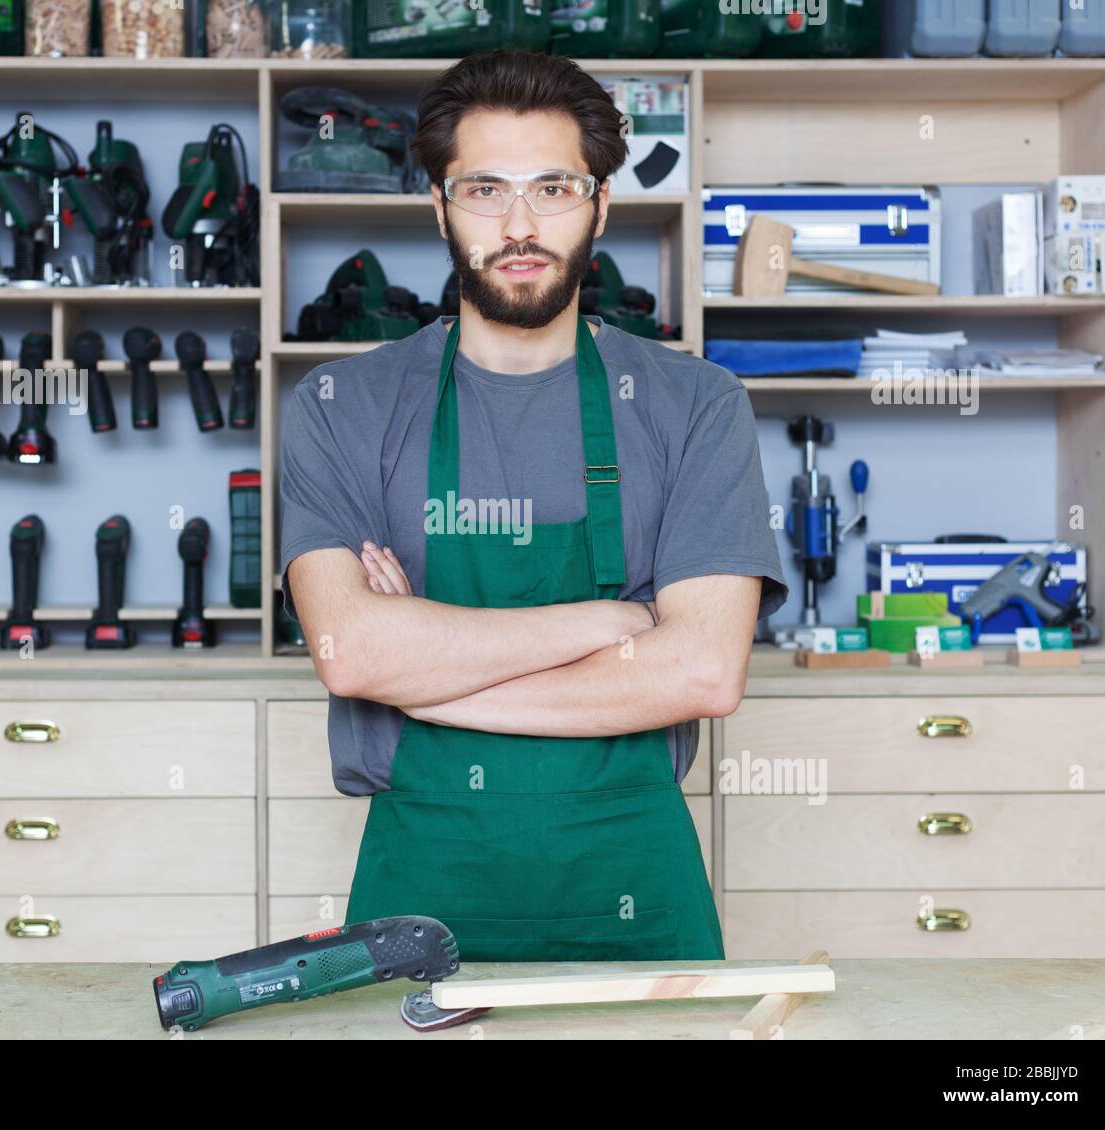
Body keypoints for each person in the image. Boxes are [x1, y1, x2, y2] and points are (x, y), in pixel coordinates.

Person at [281, 48, 787, 961]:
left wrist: (428, 680)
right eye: (484, 189)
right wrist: (615, 621)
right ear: (439, 205)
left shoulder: (696, 405)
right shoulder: (340, 405)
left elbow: (704, 674)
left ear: (600, 205)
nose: (519, 224)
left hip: (639, 898)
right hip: (418, 900)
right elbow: (350, 651)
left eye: (555, 188)